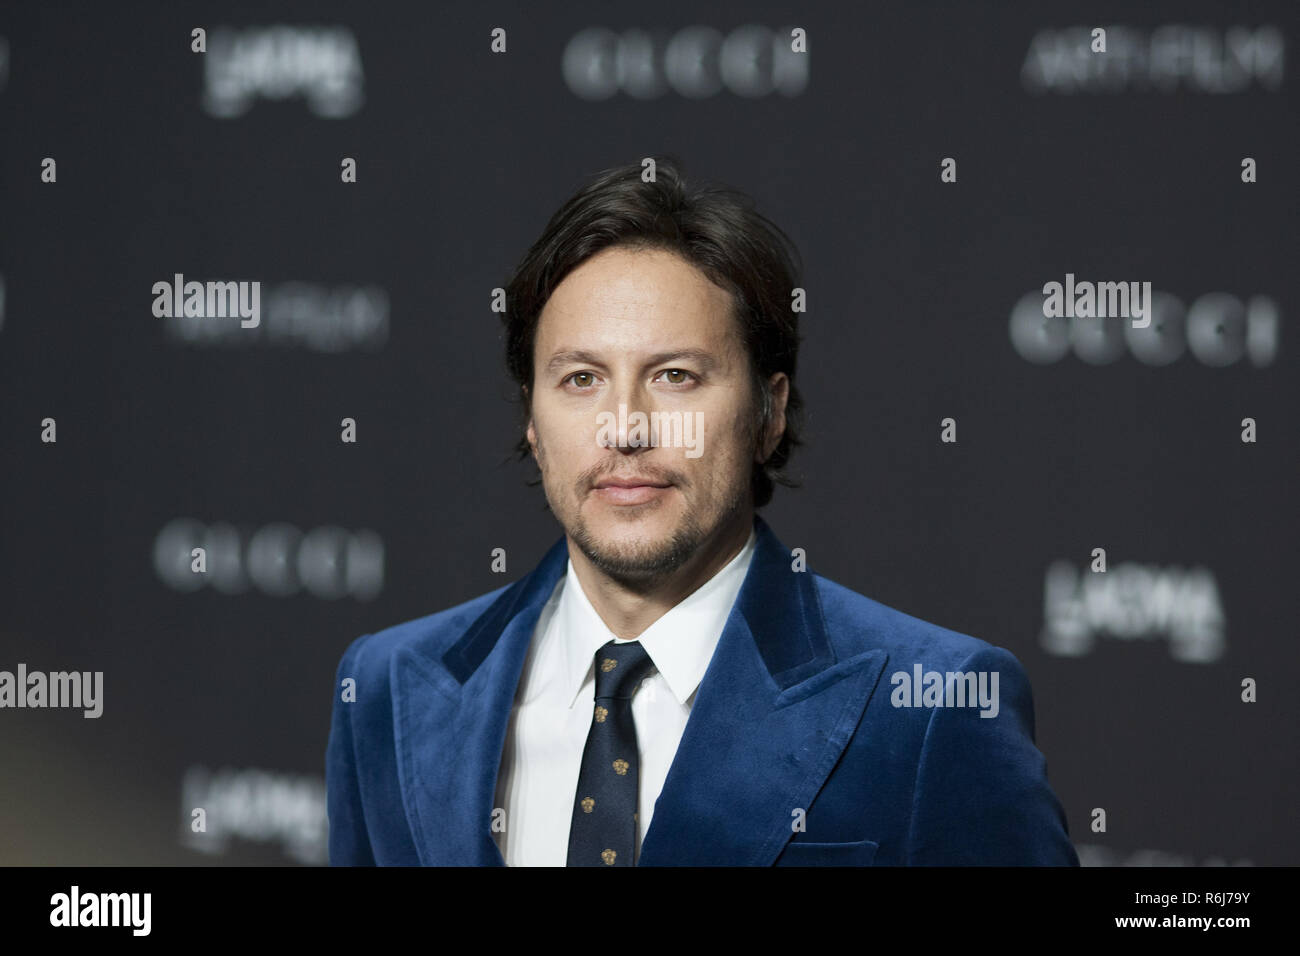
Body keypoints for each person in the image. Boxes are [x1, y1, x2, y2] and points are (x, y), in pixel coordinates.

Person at [325, 158, 1078, 866]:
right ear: (531, 417)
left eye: (676, 376)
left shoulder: (935, 711)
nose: (625, 427)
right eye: (582, 379)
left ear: (769, 412)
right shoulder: (389, 688)